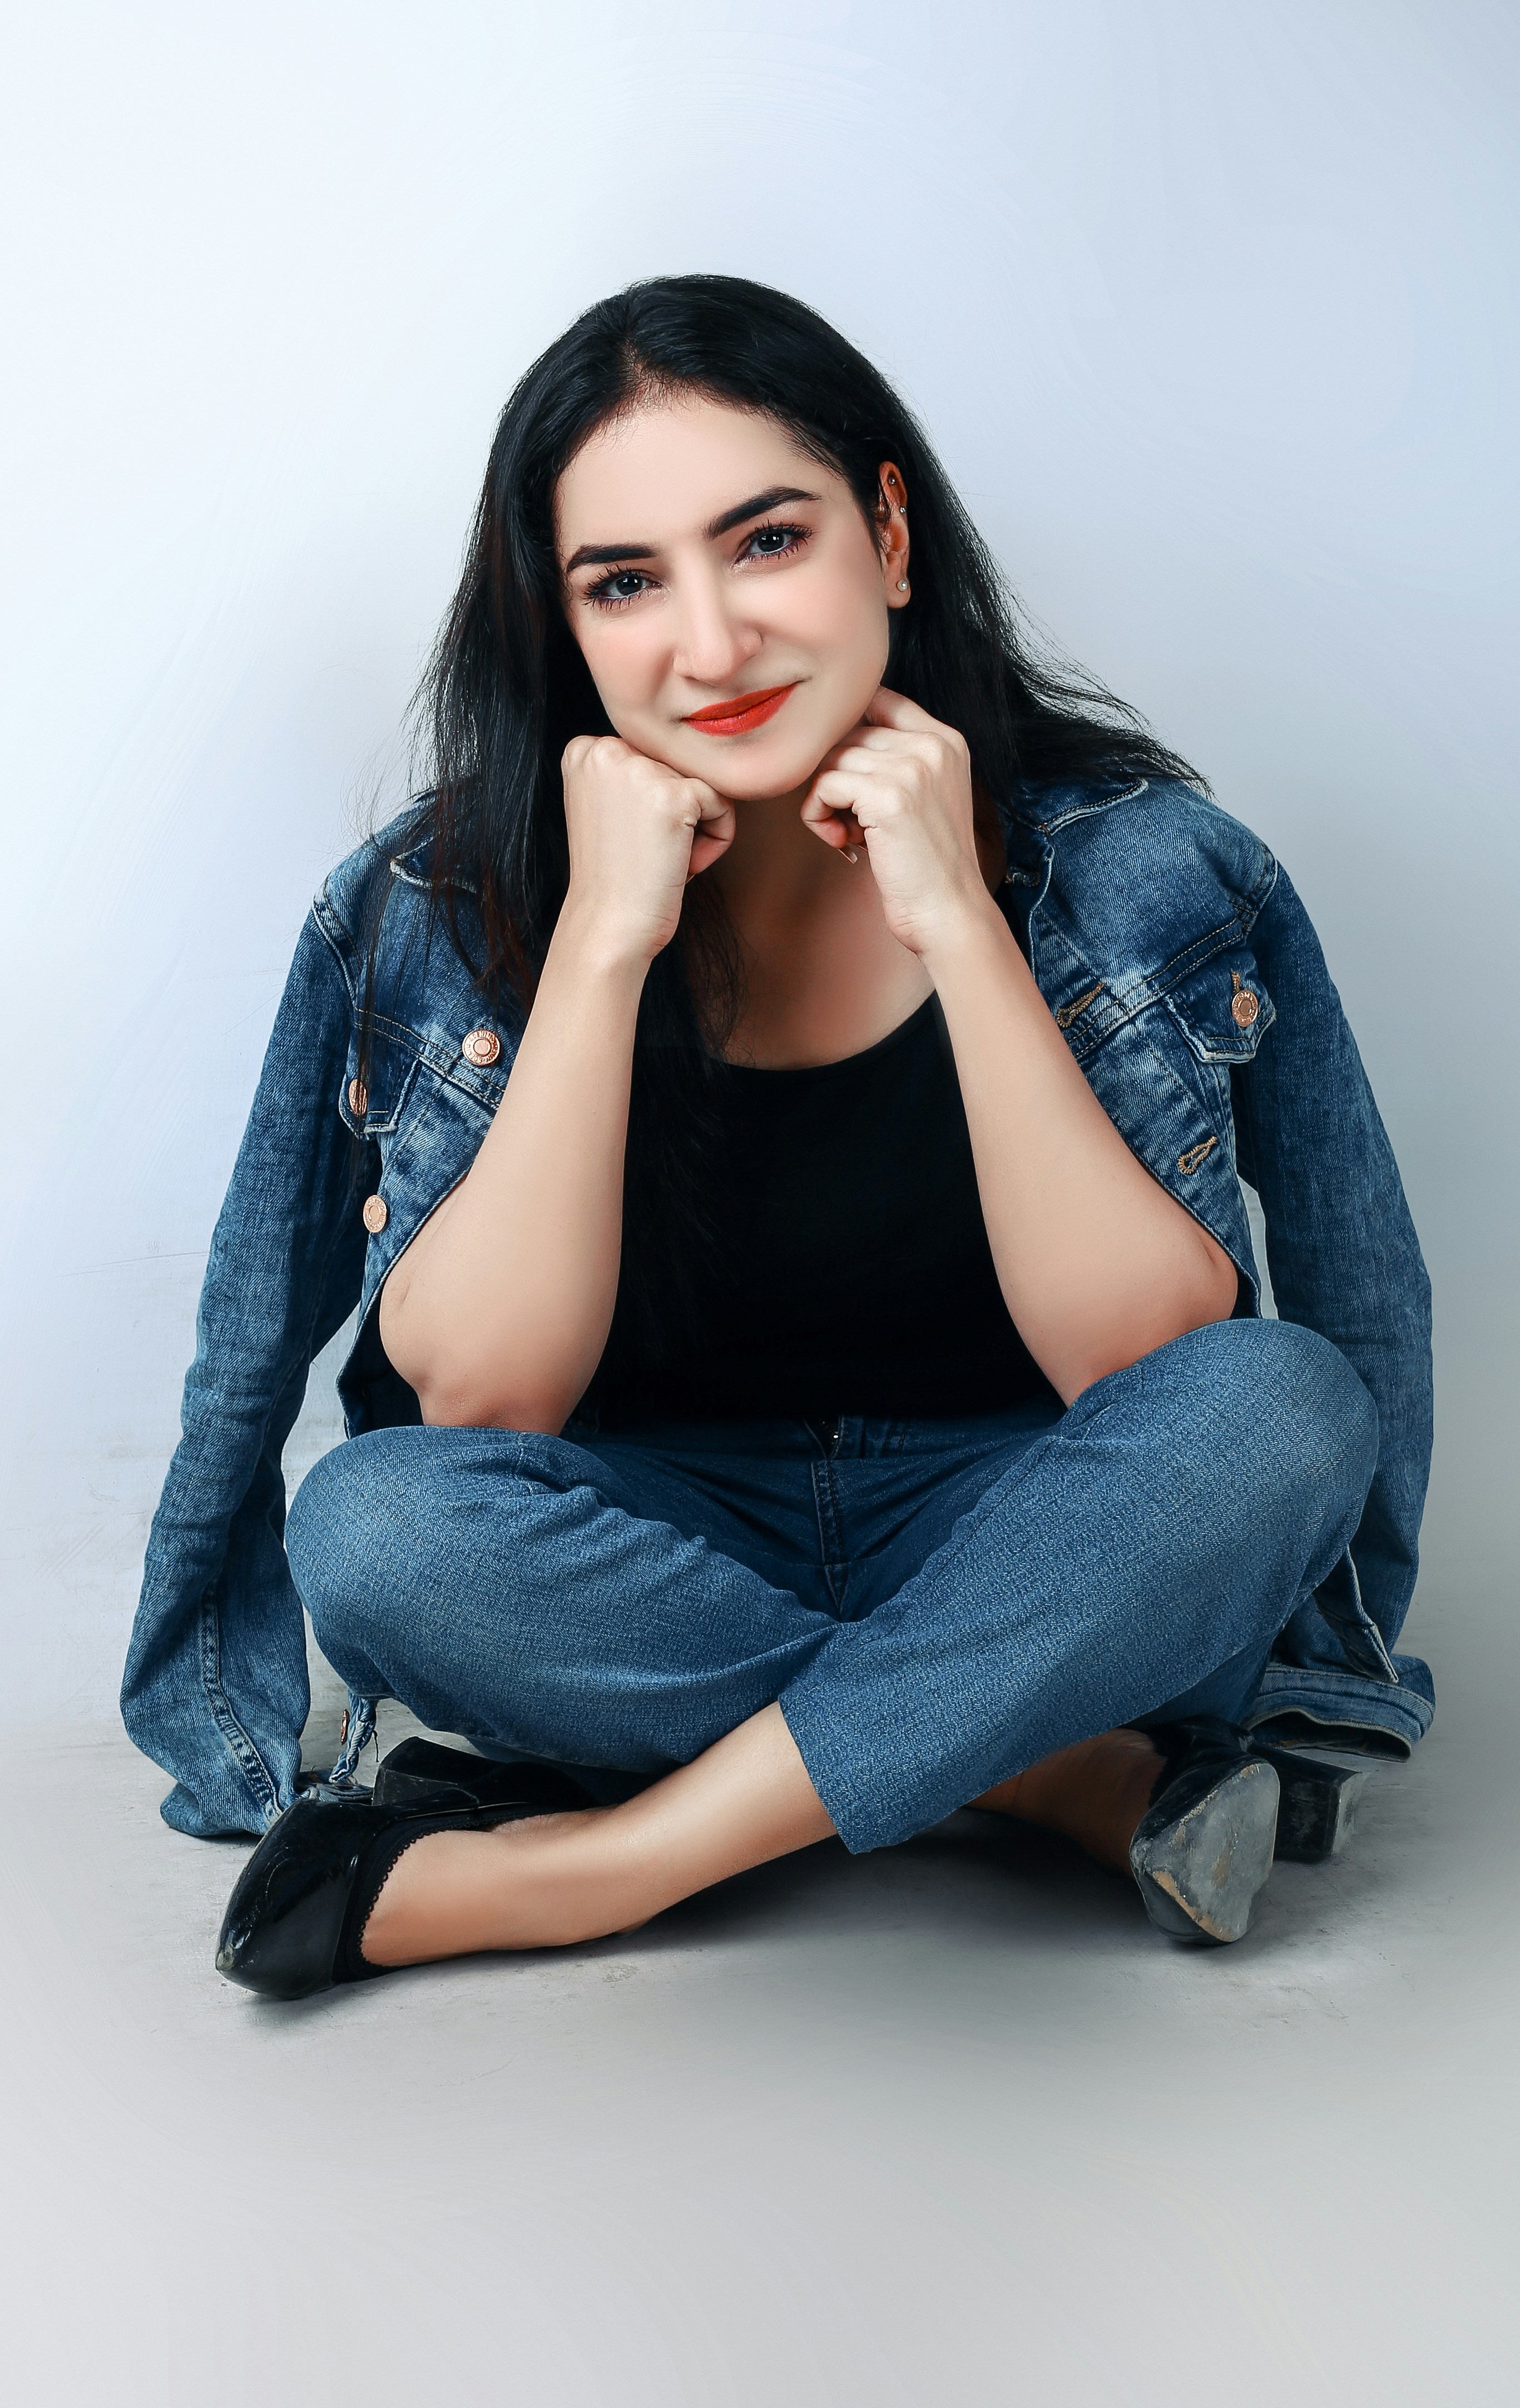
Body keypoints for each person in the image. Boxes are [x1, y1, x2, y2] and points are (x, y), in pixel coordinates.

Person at [120, 276, 1434, 2000]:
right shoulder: (431, 908)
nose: (714, 646)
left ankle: (604, 1862)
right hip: (649, 1546)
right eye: (624, 583)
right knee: (380, 1528)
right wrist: (600, 944)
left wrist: (960, 915)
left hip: (1031, 1526)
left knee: (1276, 1413)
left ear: (887, 536)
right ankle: (1040, 1767)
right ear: (562, 625)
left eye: (765, 542)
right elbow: (486, 1401)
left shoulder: (1146, 871)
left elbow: (1147, 1360)